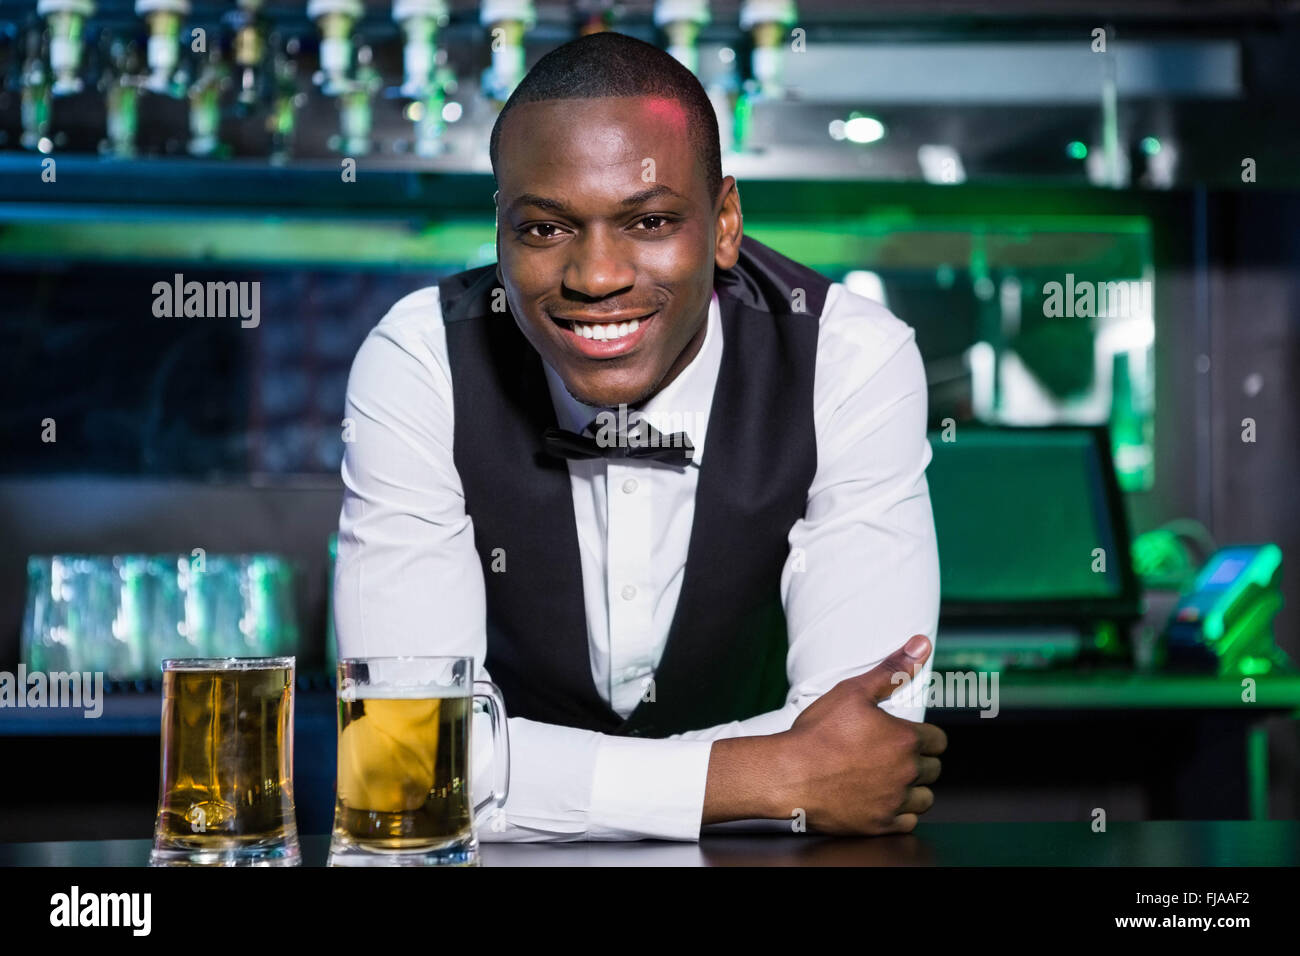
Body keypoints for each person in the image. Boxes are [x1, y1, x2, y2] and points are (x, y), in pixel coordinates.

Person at [334, 31, 946, 842]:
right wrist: (766, 772)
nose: (596, 277)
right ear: (499, 232)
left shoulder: (849, 358)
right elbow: (401, 764)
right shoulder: (420, 360)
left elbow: (865, 752)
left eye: (650, 220)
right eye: (545, 229)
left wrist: (506, 773)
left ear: (725, 224)